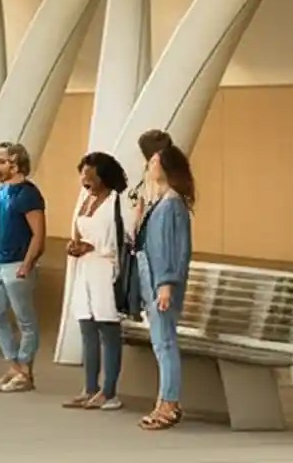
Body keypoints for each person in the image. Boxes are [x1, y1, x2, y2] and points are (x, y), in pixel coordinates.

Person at [63, 152, 134, 411]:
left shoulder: (117, 202)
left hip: (106, 270)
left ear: (104, 177)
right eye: (83, 175)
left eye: (91, 176)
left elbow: (126, 239)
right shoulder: (85, 199)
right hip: (85, 269)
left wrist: (95, 247)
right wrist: (75, 245)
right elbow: (79, 230)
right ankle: (89, 388)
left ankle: (109, 392)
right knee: (87, 328)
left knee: (108, 329)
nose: (85, 181)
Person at [136, 145, 195, 431]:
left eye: (155, 161)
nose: (150, 164)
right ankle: (165, 400)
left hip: (162, 284)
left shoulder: (171, 205)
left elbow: (171, 249)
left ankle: (169, 403)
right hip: (154, 282)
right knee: (161, 342)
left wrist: (166, 284)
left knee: (165, 343)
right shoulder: (160, 202)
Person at [0, 141, 46, 393]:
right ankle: (15, 366)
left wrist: (28, 263)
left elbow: (38, 234)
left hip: (18, 263)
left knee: (25, 320)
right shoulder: (2, 192)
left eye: (0, 162)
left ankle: (25, 370)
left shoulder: (28, 194)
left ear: (15, 164)